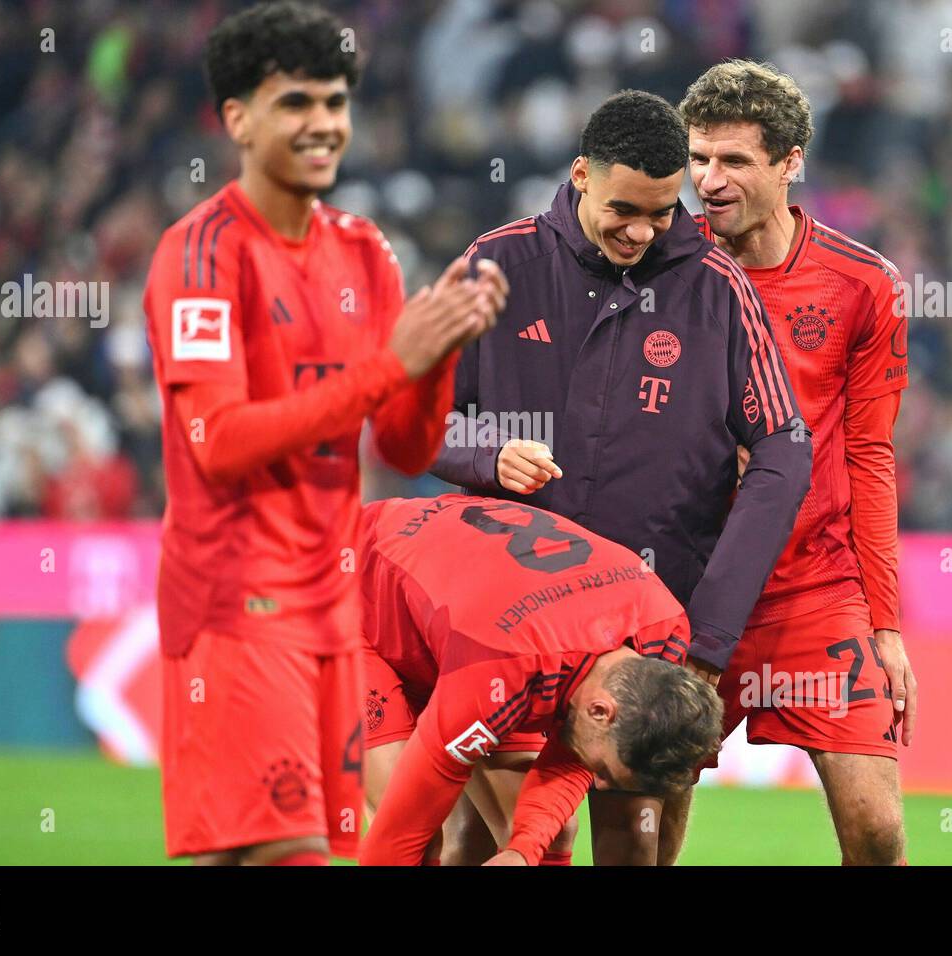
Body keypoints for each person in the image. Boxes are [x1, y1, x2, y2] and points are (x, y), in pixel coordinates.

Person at [143, 1, 506, 865]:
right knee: (289, 852)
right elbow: (219, 442)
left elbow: (404, 448)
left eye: (336, 103)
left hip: (330, 605)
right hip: (234, 600)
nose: (324, 125)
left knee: (273, 851)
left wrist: (438, 355)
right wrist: (392, 364)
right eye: (297, 103)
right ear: (237, 118)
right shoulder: (201, 255)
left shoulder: (365, 250)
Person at [430, 90, 811, 865]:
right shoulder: (497, 263)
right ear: (580, 175)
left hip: (651, 636)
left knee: (632, 843)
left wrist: (709, 633)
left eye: (664, 211)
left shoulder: (715, 286)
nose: (642, 230)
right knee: (491, 837)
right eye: (624, 209)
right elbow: (407, 420)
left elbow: (783, 449)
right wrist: (484, 454)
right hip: (512, 626)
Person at [677, 59, 916, 865]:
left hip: (813, 590)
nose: (708, 180)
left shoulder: (862, 284)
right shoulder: (660, 271)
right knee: (641, 834)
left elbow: (871, 455)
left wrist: (885, 623)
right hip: (683, 590)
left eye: (734, 161)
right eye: (699, 158)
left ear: (789, 163)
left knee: (878, 832)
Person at [356, 494, 722, 866]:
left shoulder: (664, 632)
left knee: (546, 839)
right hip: (349, 596)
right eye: (604, 772)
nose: (601, 786)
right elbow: (395, 840)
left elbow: (569, 758)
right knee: (417, 841)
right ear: (601, 711)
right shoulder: (503, 669)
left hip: (466, 628)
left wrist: (521, 851)